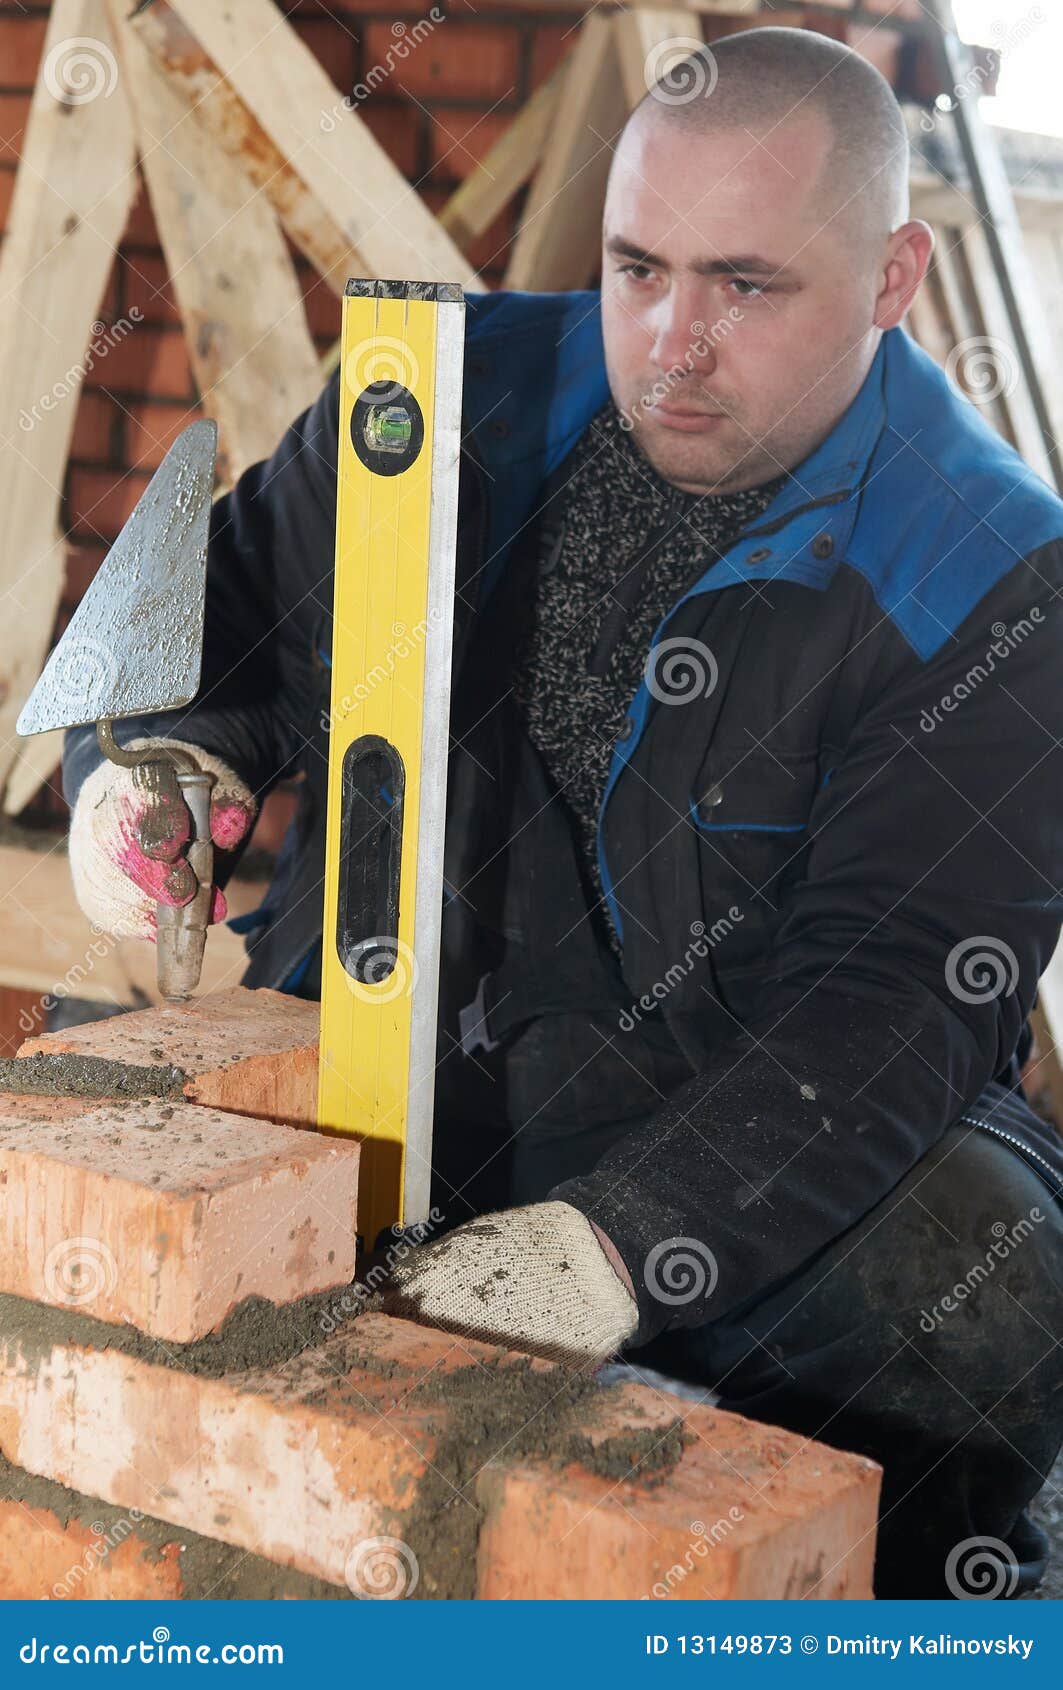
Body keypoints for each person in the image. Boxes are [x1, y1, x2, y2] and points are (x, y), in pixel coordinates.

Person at [63, 28, 1063, 1598]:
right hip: (399, 1055)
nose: (670, 339)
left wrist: (612, 1244)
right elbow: (219, 607)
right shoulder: (454, 394)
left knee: (984, 1280)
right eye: (636, 267)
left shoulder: (994, 574)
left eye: (745, 284)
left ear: (892, 278)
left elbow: (900, 992)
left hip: (727, 1129)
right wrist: (156, 769)